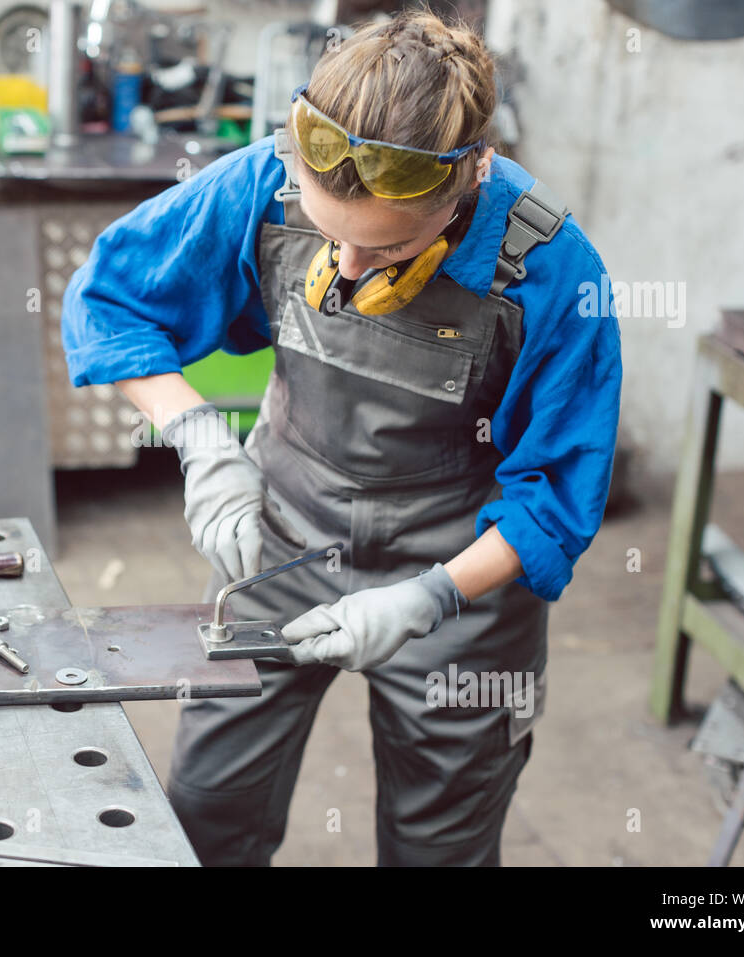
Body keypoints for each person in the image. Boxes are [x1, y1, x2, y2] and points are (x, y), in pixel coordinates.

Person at [61, 9, 622, 866]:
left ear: (470, 177)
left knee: (443, 844)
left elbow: (553, 500)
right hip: (278, 540)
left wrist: (429, 596)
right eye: (329, 238)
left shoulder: (550, 268)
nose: (346, 275)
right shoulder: (265, 181)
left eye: (387, 246)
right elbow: (110, 299)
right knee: (206, 820)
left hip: (461, 580)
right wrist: (202, 437)